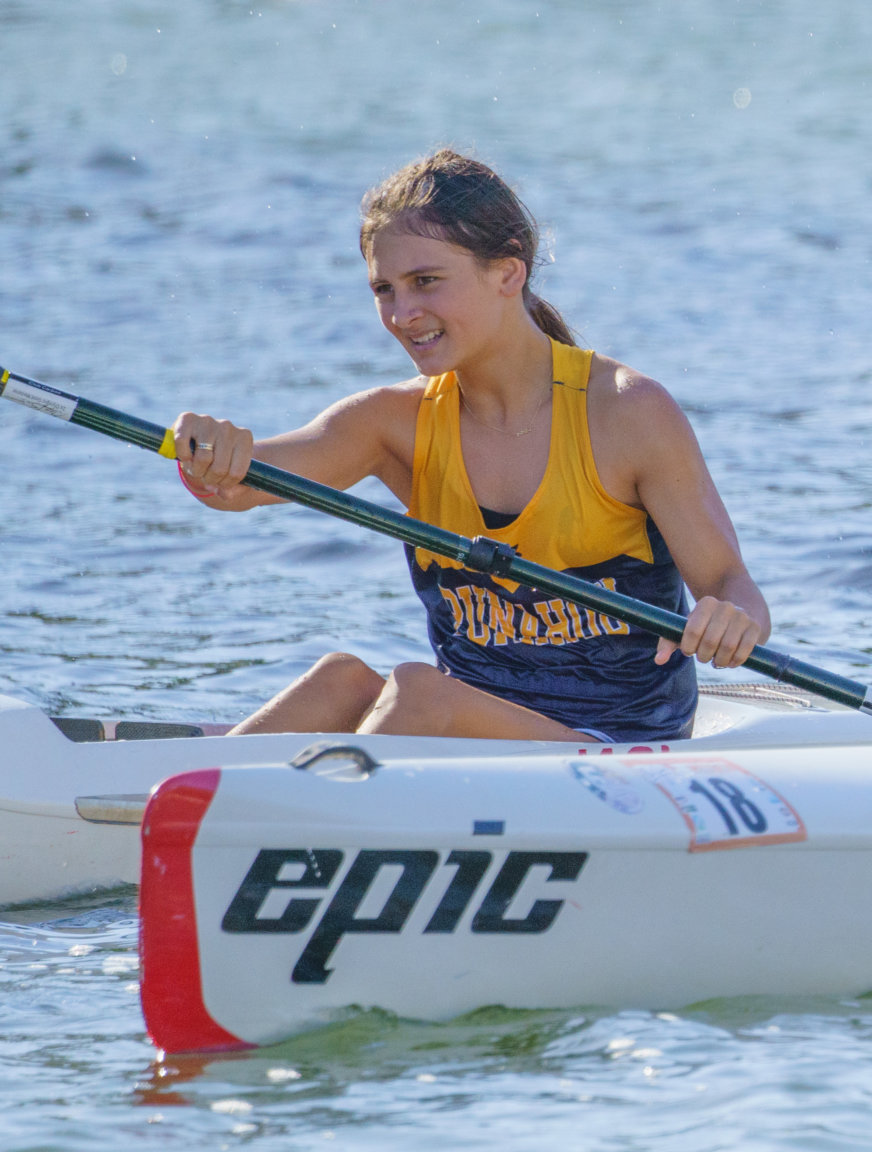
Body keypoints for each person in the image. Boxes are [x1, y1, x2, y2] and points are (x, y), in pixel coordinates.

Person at [171, 149, 769, 743]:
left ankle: (279, 815)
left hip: (620, 745)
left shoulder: (626, 411)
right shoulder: (393, 423)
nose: (403, 314)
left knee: (417, 692)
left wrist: (728, 618)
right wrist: (213, 452)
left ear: (509, 273)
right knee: (339, 681)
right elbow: (241, 484)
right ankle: (190, 808)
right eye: (384, 289)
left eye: (426, 281)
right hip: (472, 739)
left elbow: (733, 586)